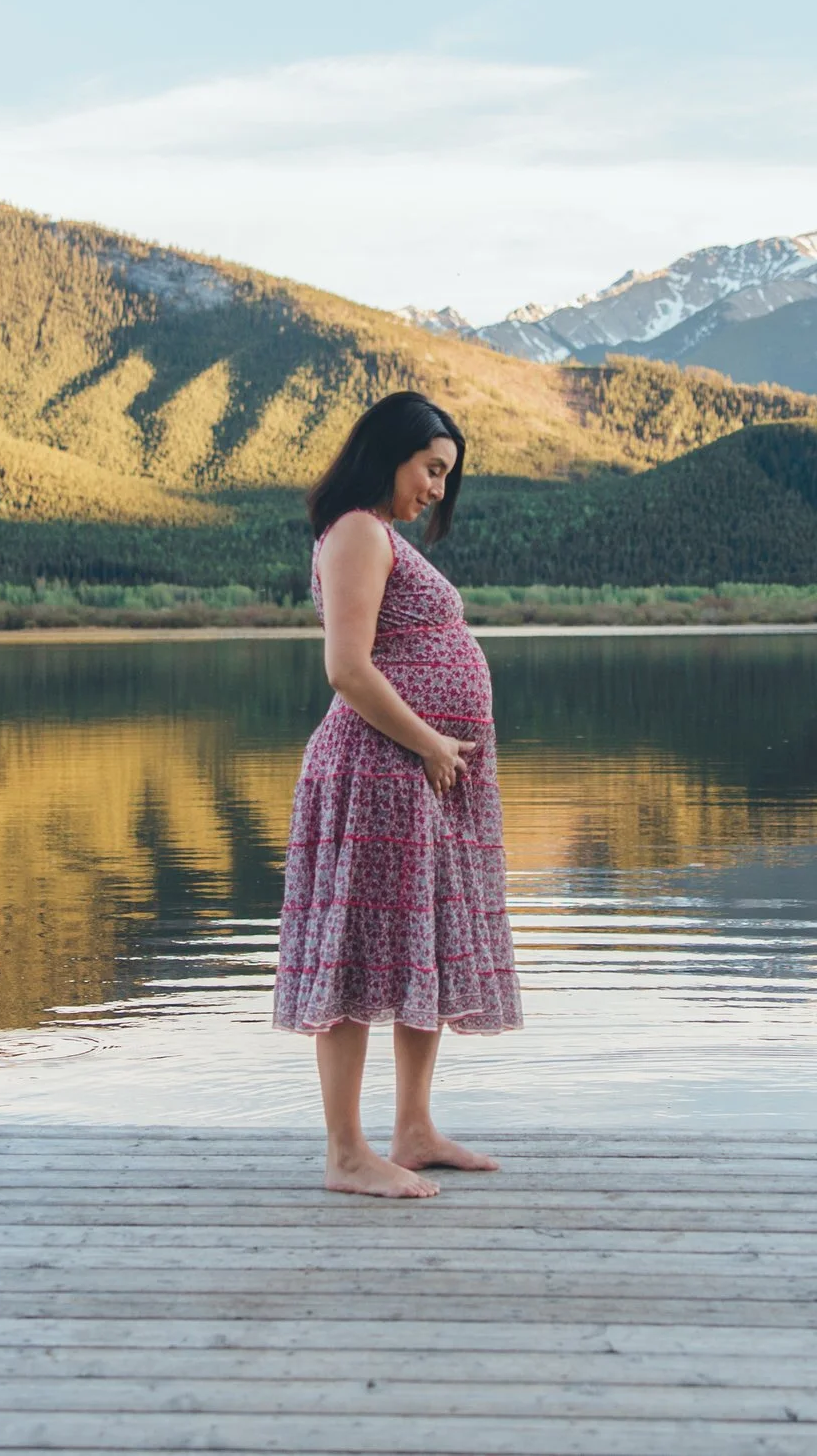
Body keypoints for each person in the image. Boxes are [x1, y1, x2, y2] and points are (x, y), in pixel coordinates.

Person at [274, 390, 523, 1198]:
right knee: (354, 956)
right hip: (378, 772)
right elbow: (347, 668)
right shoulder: (354, 529)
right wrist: (428, 742)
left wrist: (439, 753)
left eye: (447, 476)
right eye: (431, 468)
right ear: (388, 450)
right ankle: (347, 1154)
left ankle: (413, 1129)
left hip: (423, 773)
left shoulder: (380, 535)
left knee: (425, 943)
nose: (438, 490)